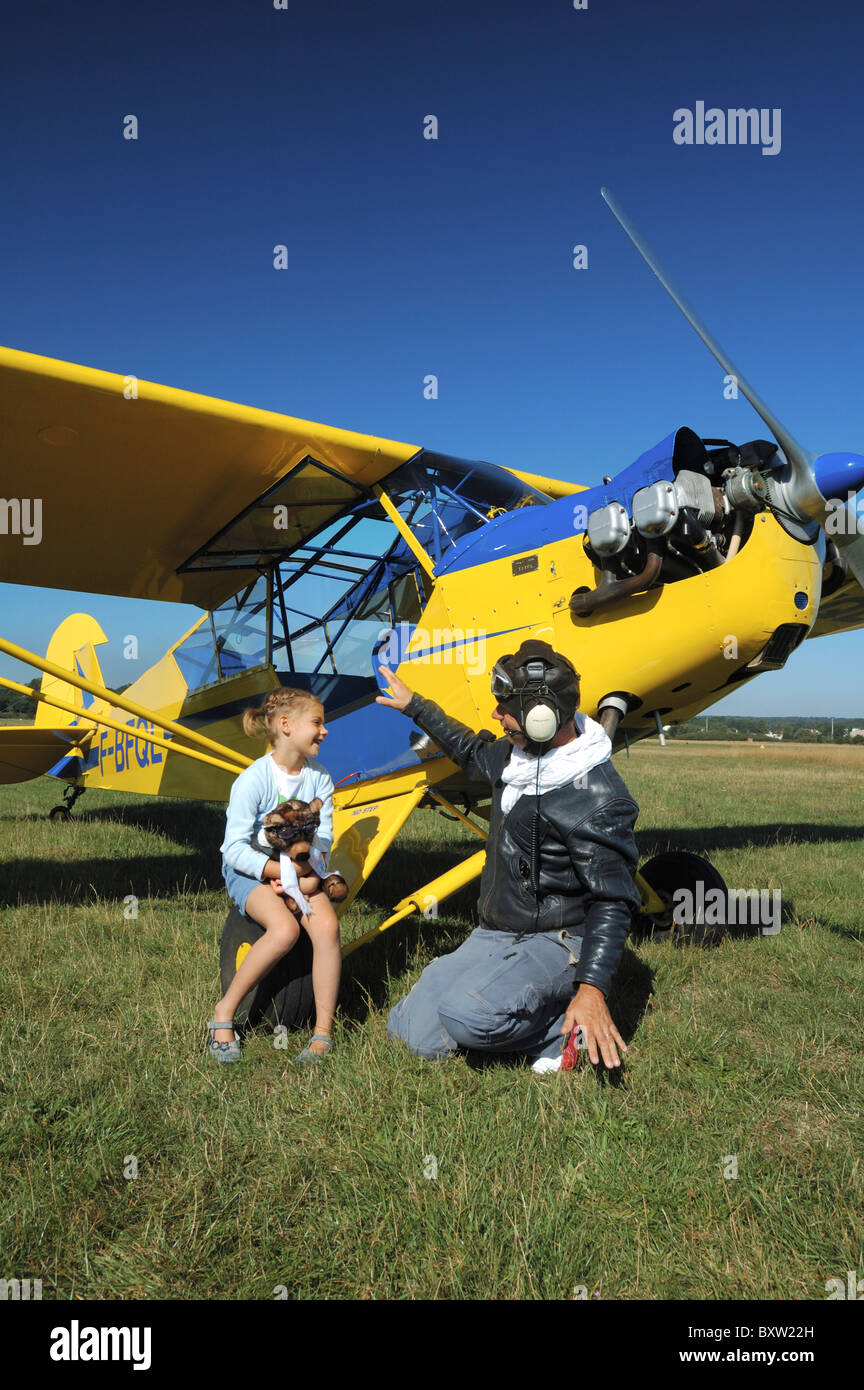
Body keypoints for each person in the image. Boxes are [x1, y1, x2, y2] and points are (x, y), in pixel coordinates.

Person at [376, 640, 640, 1072]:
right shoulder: (517, 757)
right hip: (498, 929)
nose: (496, 716)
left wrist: (592, 987)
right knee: (411, 1030)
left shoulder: (597, 796)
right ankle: (496, 1011)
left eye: (505, 709)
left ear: (542, 718)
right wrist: (415, 706)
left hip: (559, 937)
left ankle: (563, 1028)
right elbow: (470, 749)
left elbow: (613, 900)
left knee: (467, 1016)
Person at [209, 689, 341, 1066]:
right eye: (317, 722)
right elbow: (233, 849)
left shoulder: (321, 779)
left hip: (302, 868)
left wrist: (301, 876)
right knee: (285, 930)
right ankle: (223, 1014)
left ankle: (322, 1033)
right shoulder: (252, 780)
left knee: (327, 928)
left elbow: (325, 836)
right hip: (250, 869)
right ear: (286, 726)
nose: (325, 731)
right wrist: (275, 874)